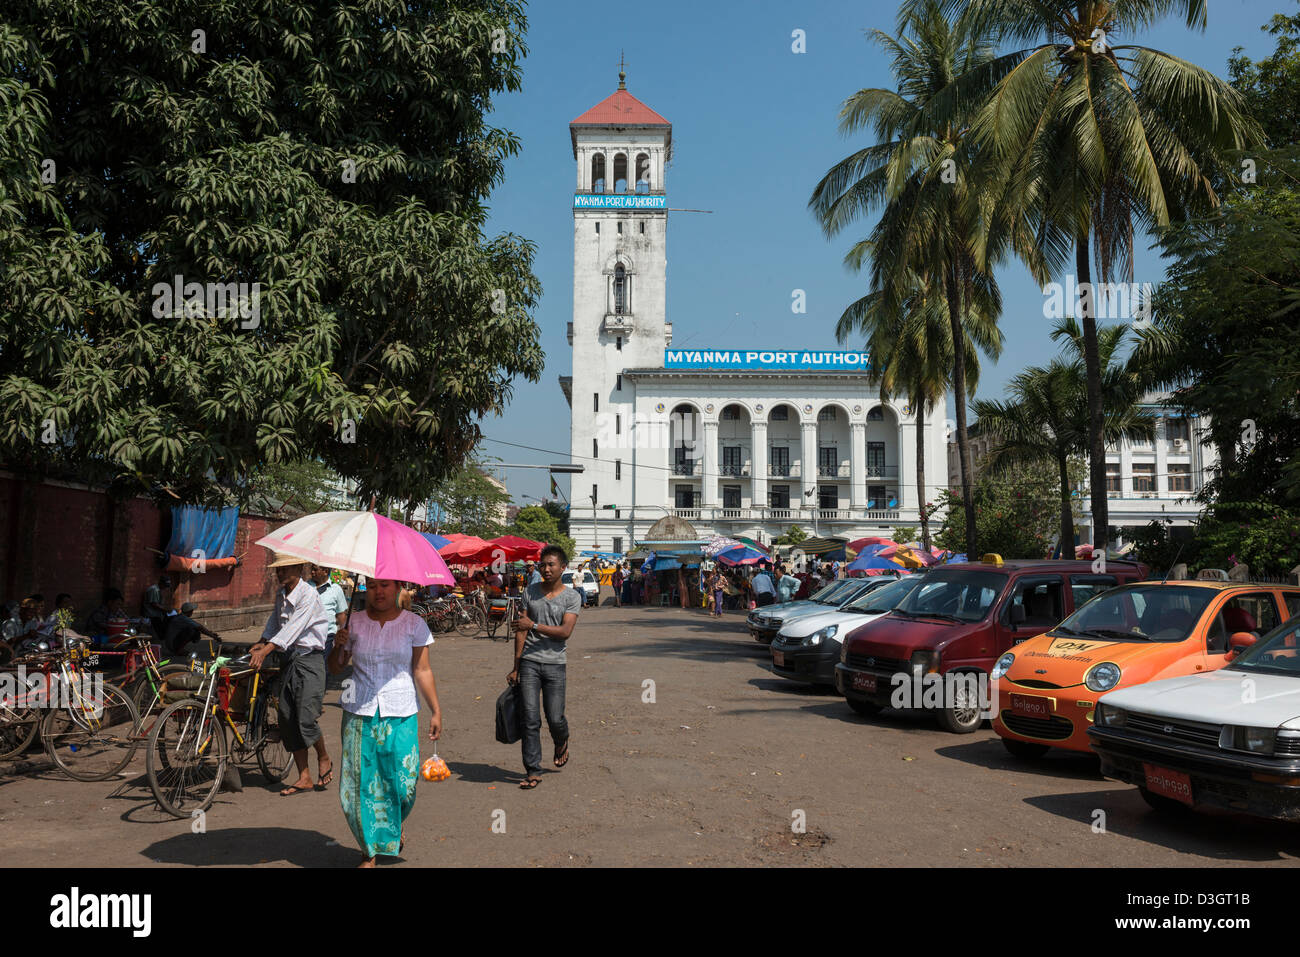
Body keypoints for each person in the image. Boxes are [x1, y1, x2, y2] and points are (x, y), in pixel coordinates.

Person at [328, 577, 442, 867]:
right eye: (373, 585)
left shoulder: (414, 624)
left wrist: (436, 710)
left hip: (401, 710)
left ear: (399, 587)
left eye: (386, 585)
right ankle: (369, 851)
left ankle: (393, 821)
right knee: (358, 784)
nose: (379, 591)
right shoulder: (353, 622)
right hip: (359, 710)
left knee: (404, 783)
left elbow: (423, 669)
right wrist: (338, 646)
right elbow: (336, 667)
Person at [249, 554, 332, 797]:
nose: (280, 574)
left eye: (285, 569)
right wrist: (261, 641)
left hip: (309, 660)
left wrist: (266, 650)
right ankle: (304, 776)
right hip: (288, 660)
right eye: (278, 570)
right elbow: (275, 624)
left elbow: (293, 628)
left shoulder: (309, 594)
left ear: (299, 568)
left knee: (305, 718)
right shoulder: (281, 595)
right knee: (287, 717)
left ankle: (323, 756)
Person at [508, 544, 581, 790]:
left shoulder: (572, 597)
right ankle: (533, 770)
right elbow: (520, 630)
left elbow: (565, 632)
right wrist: (516, 666)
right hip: (529, 662)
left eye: (551, 565)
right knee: (529, 718)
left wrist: (534, 626)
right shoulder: (530, 592)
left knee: (555, 717)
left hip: (555, 664)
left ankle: (561, 741)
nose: (546, 569)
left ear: (563, 567)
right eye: (543, 565)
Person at [309, 564, 349, 663]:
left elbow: (341, 614)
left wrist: (343, 636)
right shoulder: (306, 587)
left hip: (327, 637)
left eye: (315, 570)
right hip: (307, 636)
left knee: (324, 668)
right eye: (311, 569)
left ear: (325, 571)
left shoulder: (336, 589)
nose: (312, 572)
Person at [142, 575, 171, 643]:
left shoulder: (158, 590)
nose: (165, 588)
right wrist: (166, 609)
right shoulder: (154, 589)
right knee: (160, 631)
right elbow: (154, 604)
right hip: (151, 615)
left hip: (156, 615)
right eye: (165, 585)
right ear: (161, 583)